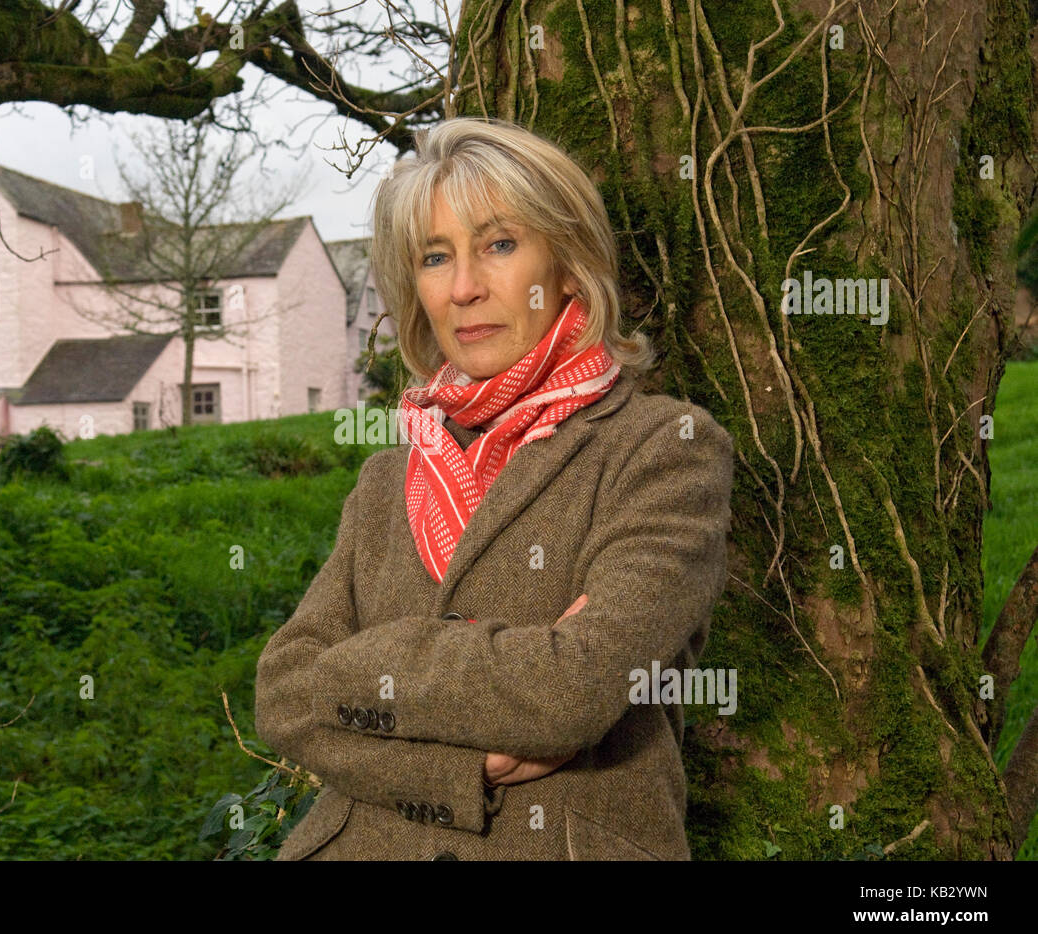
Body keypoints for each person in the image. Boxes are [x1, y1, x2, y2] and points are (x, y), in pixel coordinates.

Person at [253, 116, 735, 860]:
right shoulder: (387, 477)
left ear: (568, 266)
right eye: (436, 257)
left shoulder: (662, 448)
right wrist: (458, 765)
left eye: (499, 245)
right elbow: (284, 695)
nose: (466, 288)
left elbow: (568, 695)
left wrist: (366, 664)